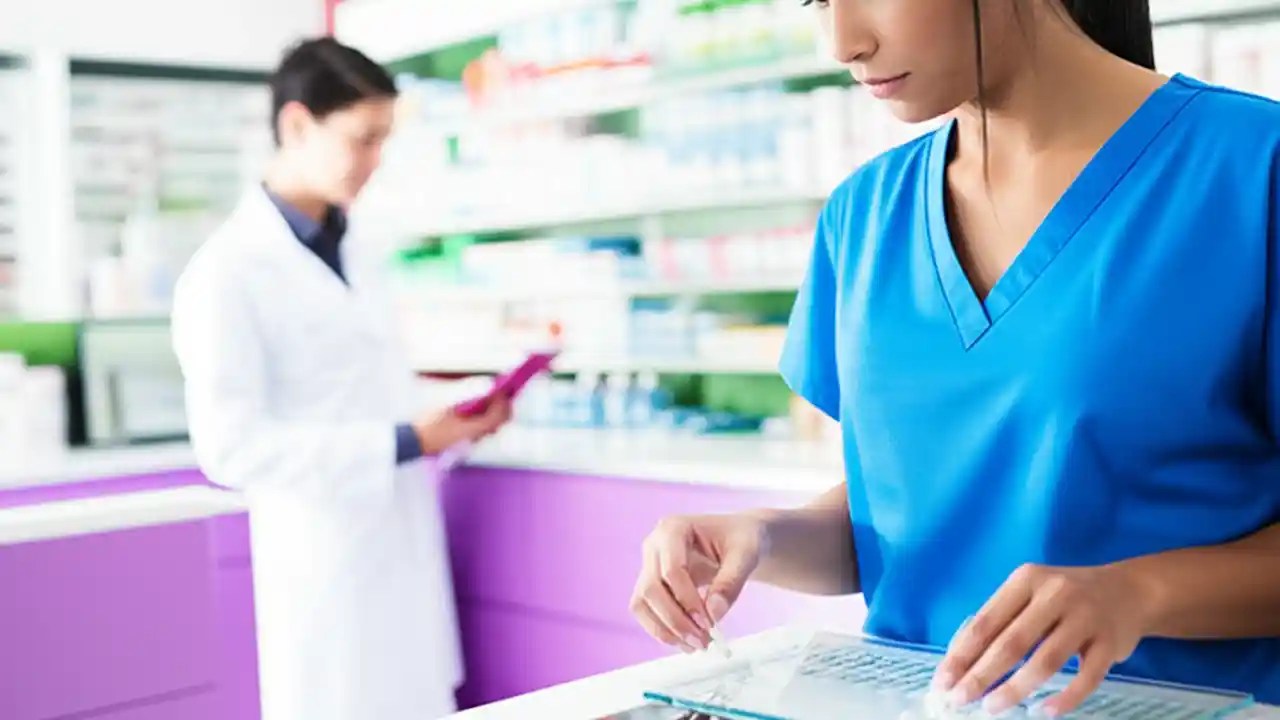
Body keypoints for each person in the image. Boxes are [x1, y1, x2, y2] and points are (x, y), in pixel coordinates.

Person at [631, 0, 1280, 714]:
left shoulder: (1254, 169)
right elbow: (908, 520)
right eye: (817, 0)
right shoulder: (863, 215)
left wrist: (1138, 593)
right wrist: (763, 536)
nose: (845, 42)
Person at [172, 37, 511, 720]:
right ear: (297, 125)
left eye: (385, 140)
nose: (376, 162)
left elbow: (369, 387)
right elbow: (229, 449)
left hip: (401, 554)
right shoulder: (225, 272)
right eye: (363, 139)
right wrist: (406, 439)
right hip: (322, 570)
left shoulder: (360, 247)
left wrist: (453, 417)